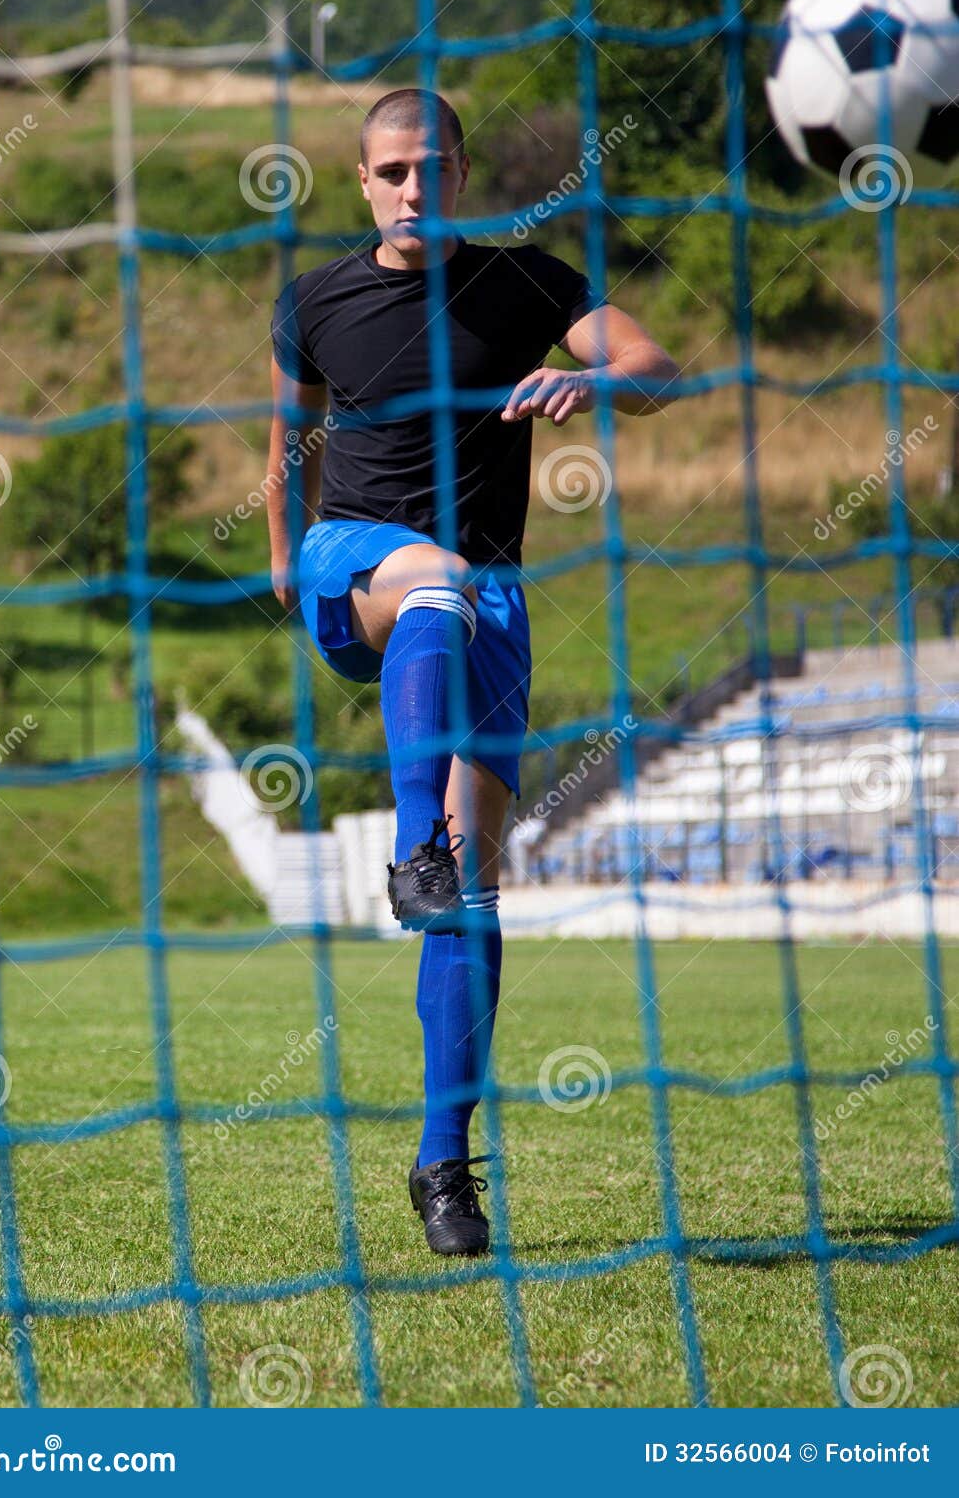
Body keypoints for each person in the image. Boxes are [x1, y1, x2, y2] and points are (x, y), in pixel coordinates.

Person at [266, 87, 678, 1257]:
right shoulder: (315, 301)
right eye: (387, 171)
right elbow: (286, 439)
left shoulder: (529, 284)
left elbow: (654, 363)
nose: (408, 189)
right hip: (365, 570)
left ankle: (444, 1164)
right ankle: (412, 847)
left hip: (485, 598)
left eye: (427, 169)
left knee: (478, 897)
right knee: (433, 576)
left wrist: (597, 383)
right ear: (361, 180)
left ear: (456, 176)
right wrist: (286, 560)